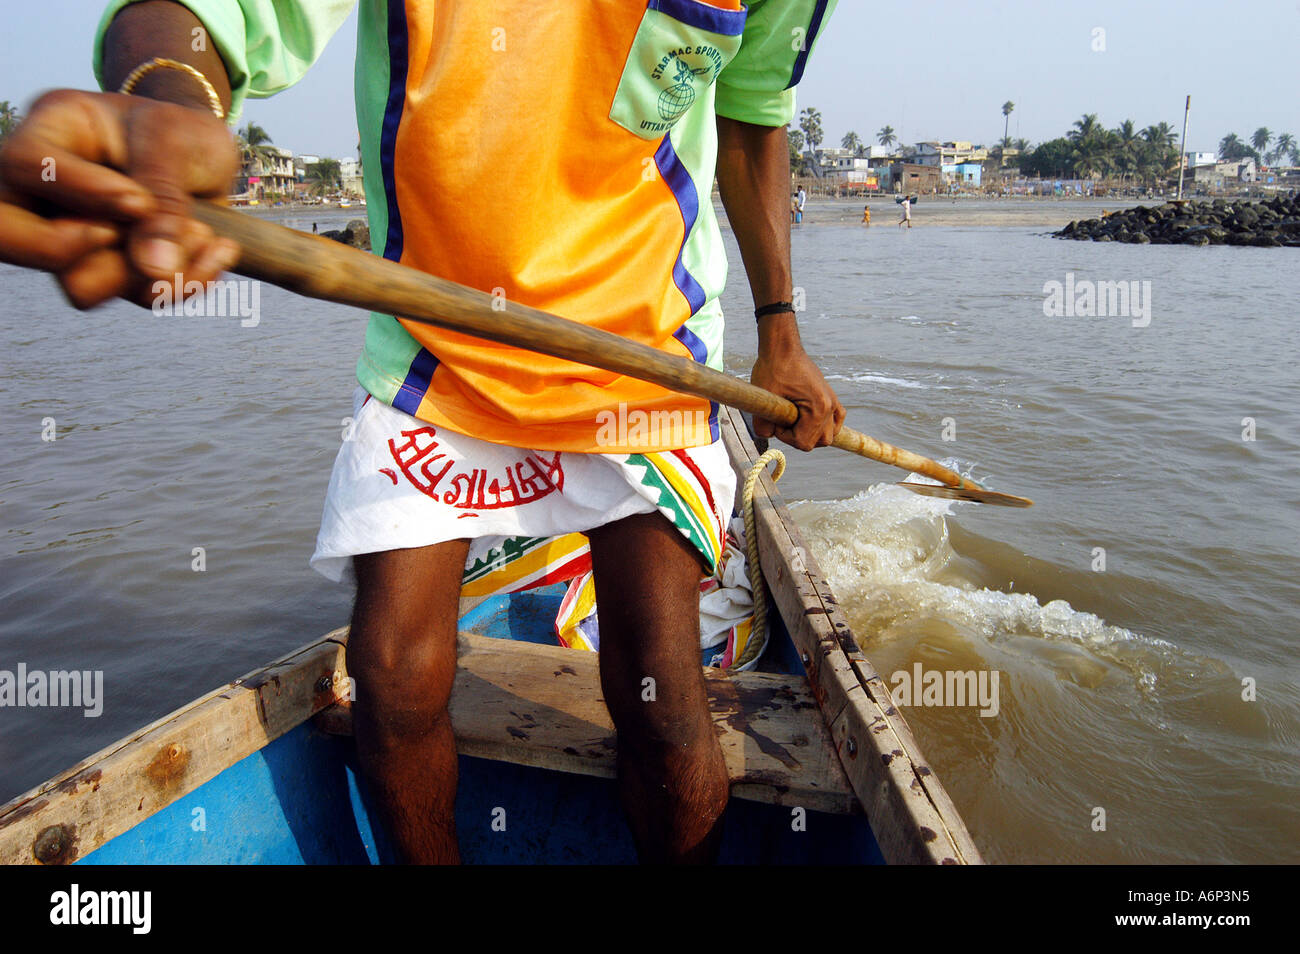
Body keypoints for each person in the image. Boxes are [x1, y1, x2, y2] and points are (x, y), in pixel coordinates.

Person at [0, 0, 844, 864]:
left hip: (645, 348)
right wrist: (167, 98)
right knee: (394, 682)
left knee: (661, 698)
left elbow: (751, 111)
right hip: (433, 342)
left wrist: (781, 332)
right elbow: (209, 15)